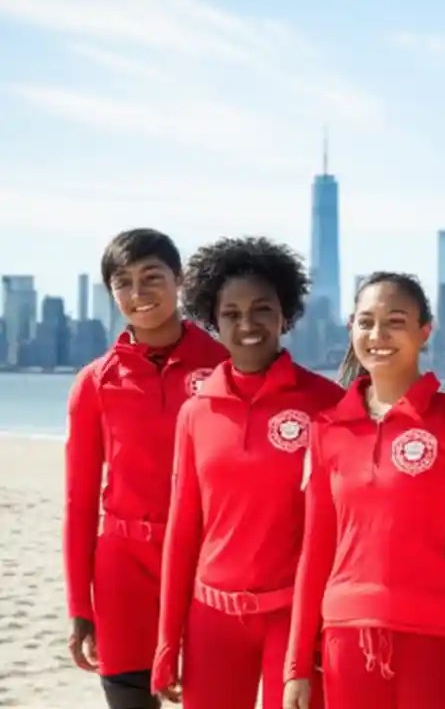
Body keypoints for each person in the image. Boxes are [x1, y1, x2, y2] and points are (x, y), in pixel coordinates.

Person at [281, 272, 445, 709]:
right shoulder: (327, 429)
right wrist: (297, 666)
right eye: (366, 322)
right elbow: (316, 550)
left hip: (434, 640)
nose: (378, 335)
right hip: (345, 638)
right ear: (351, 328)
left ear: (425, 331)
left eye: (395, 321)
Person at [150, 237, 343, 707]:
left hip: (296, 619)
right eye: (231, 313)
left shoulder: (327, 404)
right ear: (213, 320)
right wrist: (166, 639)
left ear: (286, 313)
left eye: (262, 309)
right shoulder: (196, 412)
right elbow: (183, 528)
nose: (248, 324)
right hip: (211, 617)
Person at [64, 228, 228, 709]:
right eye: (123, 283)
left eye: (152, 277)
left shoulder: (225, 366)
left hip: (206, 566)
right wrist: (80, 605)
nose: (139, 294)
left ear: (179, 279)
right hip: (123, 569)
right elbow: (78, 502)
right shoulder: (95, 383)